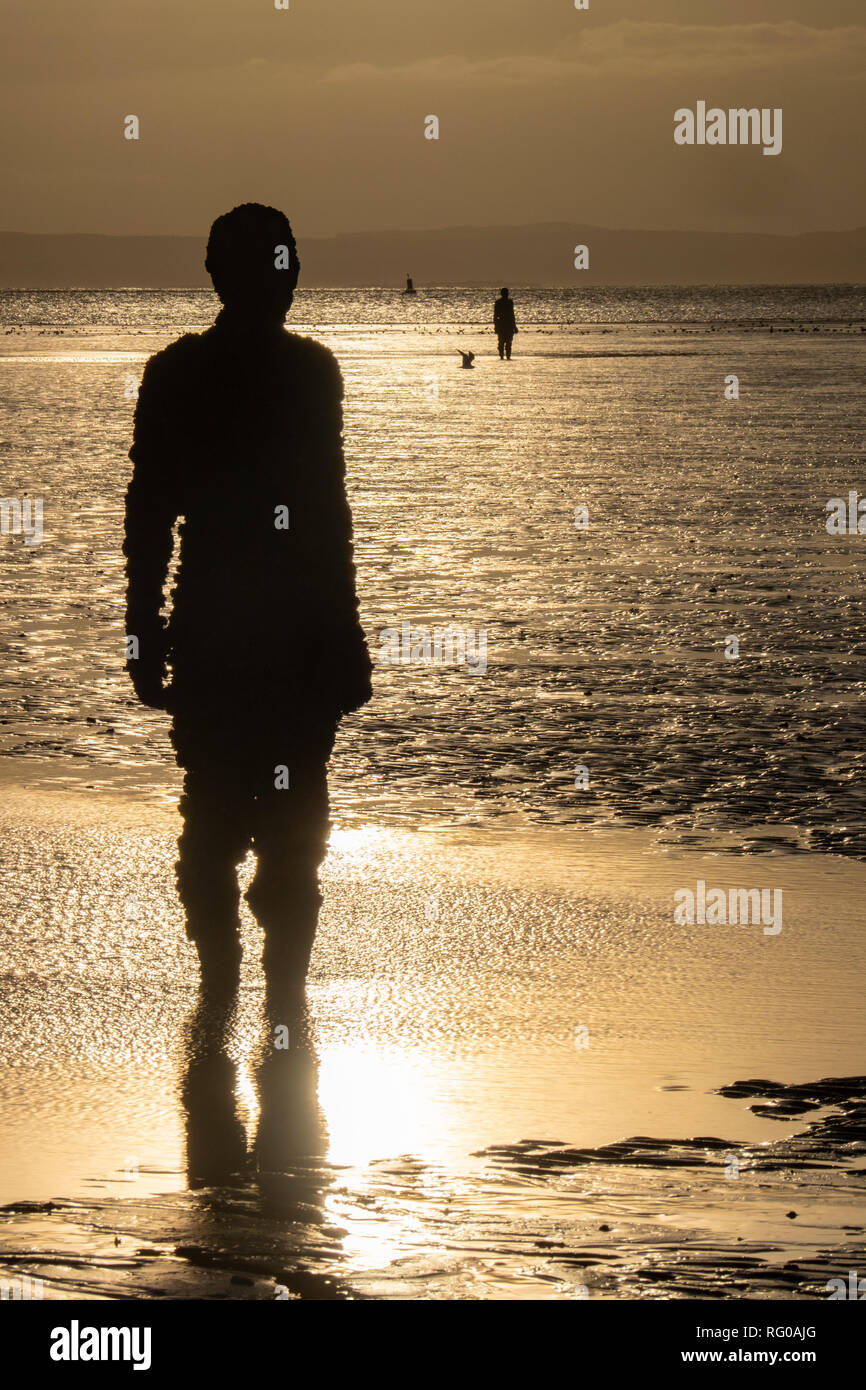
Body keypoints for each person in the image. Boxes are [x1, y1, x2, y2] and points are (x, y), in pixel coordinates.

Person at [123, 202, 372, 997]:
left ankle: (240, 989)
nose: (284, 277)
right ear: (224, 275)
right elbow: (154, 512)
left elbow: (151, 516)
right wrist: (141, 627)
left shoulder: (207, 372)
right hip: (257, 634)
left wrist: (143, 626)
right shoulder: (289, 373)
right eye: (275, 262)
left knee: (233, 821)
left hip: (248, 634)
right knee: (257, 824)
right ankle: (252, 992)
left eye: (286, 261)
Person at [493, 287, 517, 360]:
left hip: (506, 324)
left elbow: (511, 314)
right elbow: (496, 315)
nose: (506, 294)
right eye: (506, 293)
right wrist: (496, 326)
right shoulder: (504, 302)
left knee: (506, 342)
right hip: (504, 324)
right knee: (503, 342)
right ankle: (504, 356)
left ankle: (505, 356)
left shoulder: (506, 302)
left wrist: (514, 326)